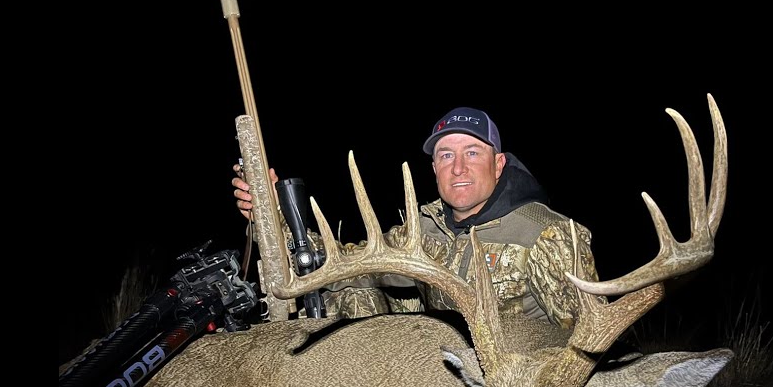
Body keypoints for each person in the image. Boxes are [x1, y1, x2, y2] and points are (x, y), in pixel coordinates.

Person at [231, 107, 600, 328]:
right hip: (436, 373)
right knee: (351, 294)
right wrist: (274, 214)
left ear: (499, 164)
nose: (458, 168)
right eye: (446, 155)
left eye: (473, 153)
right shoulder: (423, 229)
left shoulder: (546, 234)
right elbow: (338, 263)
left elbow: (589, 341)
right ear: (434, 168)